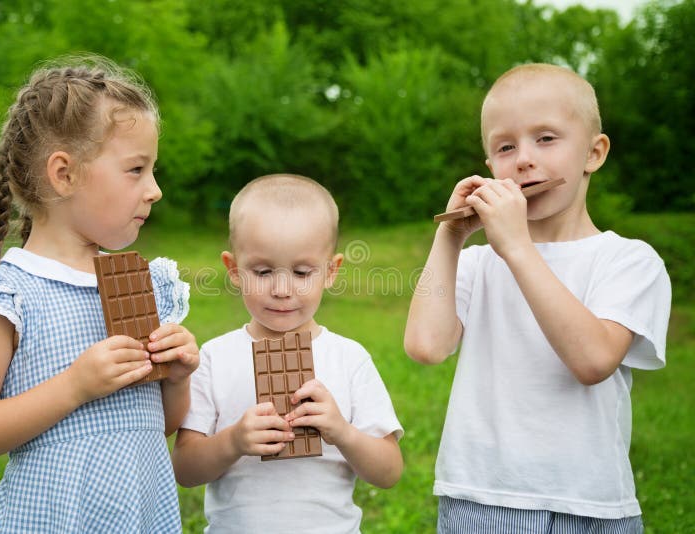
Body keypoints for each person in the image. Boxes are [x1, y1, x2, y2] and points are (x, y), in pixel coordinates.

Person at [0, 56, 198, 533]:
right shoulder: (6, 294)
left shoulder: (145, 286)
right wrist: (74, 386)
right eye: (136, 169)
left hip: (139, 516)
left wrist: (175, 378)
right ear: (64, 174)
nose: (154, 190)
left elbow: (156, 426)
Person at [404, 63, 671, 532]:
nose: (524, 159)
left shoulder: (628, 260)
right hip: (480, 498)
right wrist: (451, 239)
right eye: (505, 147)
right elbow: (426, 346)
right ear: (490, 169)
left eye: (546, 139)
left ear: (594, 152)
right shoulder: (477, 263)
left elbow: (592, 361)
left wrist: (518, 249)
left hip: (591, 504)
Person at [171, 174, 403, 533]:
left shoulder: (349, 359)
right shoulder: (214, 358)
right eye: (262, 271)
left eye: (301, 272)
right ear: (234, 270)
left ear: (331, 271)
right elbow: (184, 469)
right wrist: (233, 441)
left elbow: (388, 471)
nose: (282, 289)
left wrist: (342, 432)